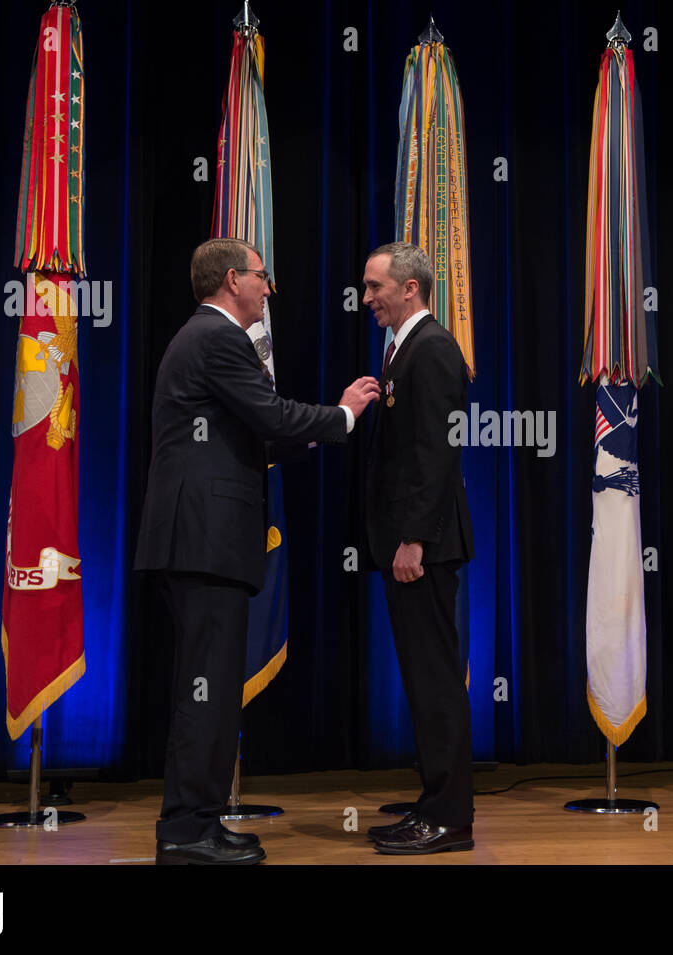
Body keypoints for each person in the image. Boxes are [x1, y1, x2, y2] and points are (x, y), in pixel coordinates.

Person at [135, 237, 380, 864]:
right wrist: (343, 416)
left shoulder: (205, 338)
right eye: (261, 277)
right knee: (205, 692)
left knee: (212, 692)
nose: (268, 289)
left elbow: (253, 438)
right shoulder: (217, 338)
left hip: (204, 542)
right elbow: (270, 415)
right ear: (230, 281)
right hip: (203, 541)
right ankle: (187, 833)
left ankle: (200, 823)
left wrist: (314, 431)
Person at [362, 242, 475, 854]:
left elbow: (436, 456)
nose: (368, 297)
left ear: (410, 288)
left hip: (423, 546)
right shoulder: (405, 349)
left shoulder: (431, 348)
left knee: (434, 683)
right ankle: (434, 803)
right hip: (412, 543)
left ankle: (449, 818)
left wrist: (412, 539)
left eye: (376, 286)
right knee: (424, 680)